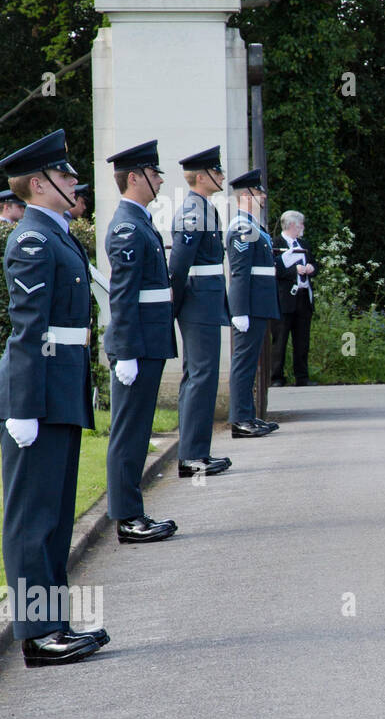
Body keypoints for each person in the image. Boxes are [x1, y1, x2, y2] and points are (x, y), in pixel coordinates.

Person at [0, 130, 103, 666]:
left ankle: (54, 623)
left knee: (56, 517)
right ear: (39, 184)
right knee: (32, 518)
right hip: (37, 395)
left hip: (59, 387)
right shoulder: (35, 238)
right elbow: (27, 330)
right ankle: (38, 635)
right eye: (65, 176)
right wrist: (21, 407)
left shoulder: (56, 233)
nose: (72, 183)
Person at [103, 140, 179, 544]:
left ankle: (133, 512)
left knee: (136, 428)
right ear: (135, 177)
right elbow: (124, 295)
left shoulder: (140, 220)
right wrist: (127, 352)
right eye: (154, 172)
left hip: (149, 339)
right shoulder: (129, 225)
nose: (161, 178)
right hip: (138, 343)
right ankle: (128, 518)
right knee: (129, 432)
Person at [170, 146, 234, 479]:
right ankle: (193, 455)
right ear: (201, 177)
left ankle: (197, 452)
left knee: (201, 376)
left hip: (203, 301)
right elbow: (179, 266)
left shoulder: (204, 208)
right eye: (216, 171)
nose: (222, 176)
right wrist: (175, 305)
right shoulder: (194, 212)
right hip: (197, 302)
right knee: (200, 376)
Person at [225, 169, 280, 438]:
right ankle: (240, 419)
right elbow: (239, 271)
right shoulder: (243, 228)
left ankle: (248, 415)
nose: (263, 195)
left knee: (250, 363)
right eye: (258, 191)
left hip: (259, 304)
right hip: (251, 306)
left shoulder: (253, 226)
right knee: (244, 362)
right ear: (246, 195)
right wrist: (240, 310)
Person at [272, 210, 316, 387]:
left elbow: (315, 263)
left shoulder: (304, 244)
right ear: (291, 225)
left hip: (303, 297)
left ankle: (302, 376)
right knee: (279, 339)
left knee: (302, 340)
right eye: (300, 225)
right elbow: (275, 270)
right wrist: (294, 270)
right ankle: (276, 377)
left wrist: (312, 268)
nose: (302, 228)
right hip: (284, 298)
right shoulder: (276, 243)